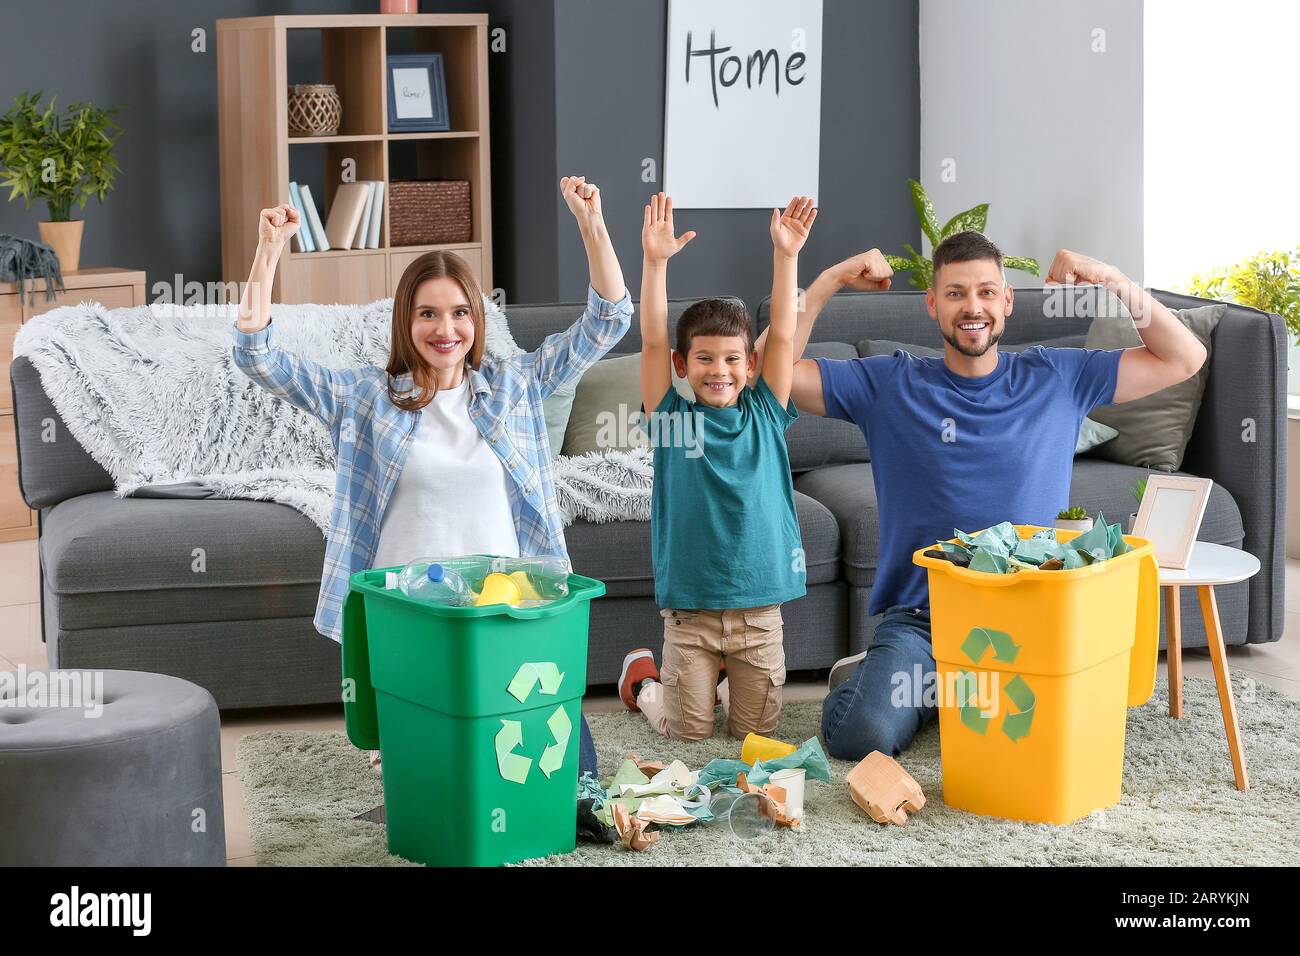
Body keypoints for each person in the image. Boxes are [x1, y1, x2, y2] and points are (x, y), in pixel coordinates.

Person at [751, 231, 1208, 760]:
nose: (973, 307)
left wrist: (1111, 279)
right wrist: (829, 280)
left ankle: (942, 691)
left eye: (987, 292)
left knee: (1058, 734)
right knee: (863, 736)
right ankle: (898, 678)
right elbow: (766, 371)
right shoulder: (888, 383)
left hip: (1032, 618)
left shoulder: (1061, 376)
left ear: (1007, 302)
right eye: (956, 293)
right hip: (925, 622)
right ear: (933, 304)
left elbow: (1185, 357)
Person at [232, 175, 632, 778]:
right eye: (427, 314)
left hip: (501, 611)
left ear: (476, 319)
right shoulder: (366, 397)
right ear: (406, 321)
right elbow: (256, 356)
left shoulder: (515, 387)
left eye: (459, 313)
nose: (446, 330)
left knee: (555, 770)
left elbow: (608, 321)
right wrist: (268, 254)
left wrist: (591, 224)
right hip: (410, 613)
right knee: (437, 772)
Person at [616, 193, 814, 740]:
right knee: (691, 733)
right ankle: (644, 684)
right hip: (690, 618)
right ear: (683, 365)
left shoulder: (766, 410)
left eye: (731, 359)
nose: (719, 370)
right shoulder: (671, 418)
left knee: (753, 739)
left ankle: (726, 686)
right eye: (704, 358)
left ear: (749, 363)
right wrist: (655, 264)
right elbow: (654, 337)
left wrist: (786, 255)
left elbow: (785, 331)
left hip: (757, 616)